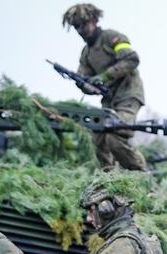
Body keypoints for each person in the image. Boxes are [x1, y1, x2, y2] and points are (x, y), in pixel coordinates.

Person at [63, 3, 148, 172]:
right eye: (76, 27)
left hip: (128, 95)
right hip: (109, 101)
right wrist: (84, 84)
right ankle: (108, 180)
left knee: (115, 136)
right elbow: (85, 80)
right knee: (98, 139)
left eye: (83, 24)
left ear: (94, 20)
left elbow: (131, 59)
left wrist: (103, 77)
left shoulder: (112, 38)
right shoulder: (86, 53)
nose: (80, 30)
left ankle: (142, 176)